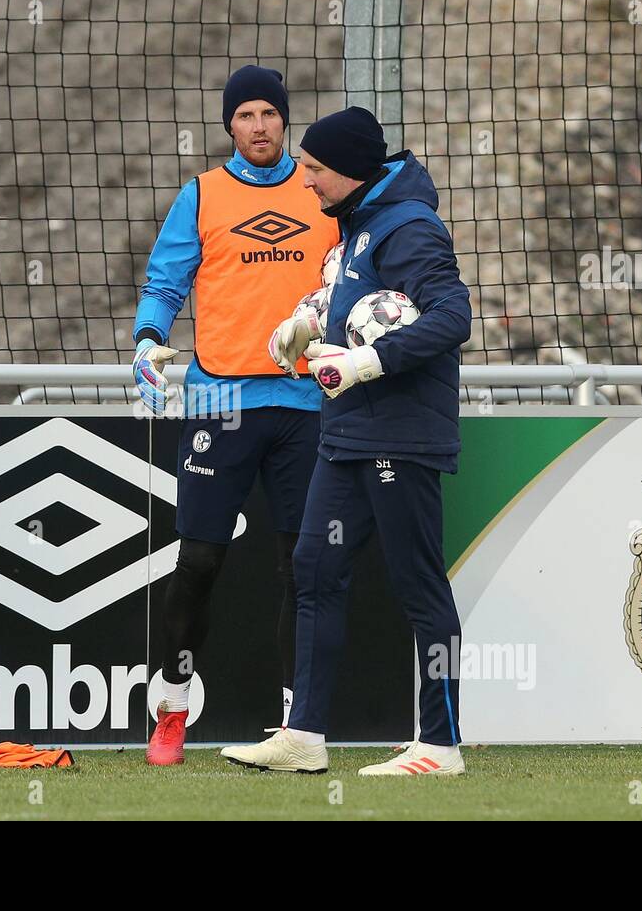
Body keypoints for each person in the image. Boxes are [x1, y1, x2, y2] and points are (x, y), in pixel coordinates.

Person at [222, 106, 473, 776]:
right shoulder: (356, 226)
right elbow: (349, 301)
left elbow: (453, 318)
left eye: (315, 169)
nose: (303, 180)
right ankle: (303, 734)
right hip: (347, 435)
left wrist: (367, 362)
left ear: (353, 173)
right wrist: (299, 323)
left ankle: (441, 746)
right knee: (314, 569)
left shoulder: (411, 228)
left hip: (401, 434)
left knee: (418, 586)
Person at [132, 66, 340, 765]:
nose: (259, 125)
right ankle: (171, 705)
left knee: (301, 565)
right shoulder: (201, 195)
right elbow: (165, 281)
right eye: (246, 114)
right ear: (230, 125)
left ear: (286, 122)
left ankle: (296, 720)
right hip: (219, 401)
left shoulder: (321, 188)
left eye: (269, 114)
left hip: (305, 401)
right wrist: (148, 339)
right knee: (199, 560)